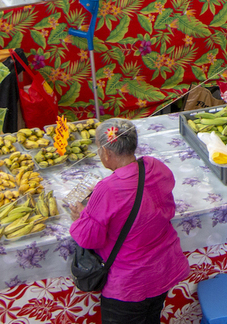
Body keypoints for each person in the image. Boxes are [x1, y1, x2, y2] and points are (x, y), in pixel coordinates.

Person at [70, 119, 189, 324]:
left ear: (106, 153)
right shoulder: (154, 166)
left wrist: (82, 215)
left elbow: (89, 238)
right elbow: (164, 207)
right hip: (163, 269)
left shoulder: (107, 189)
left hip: (130, 283)